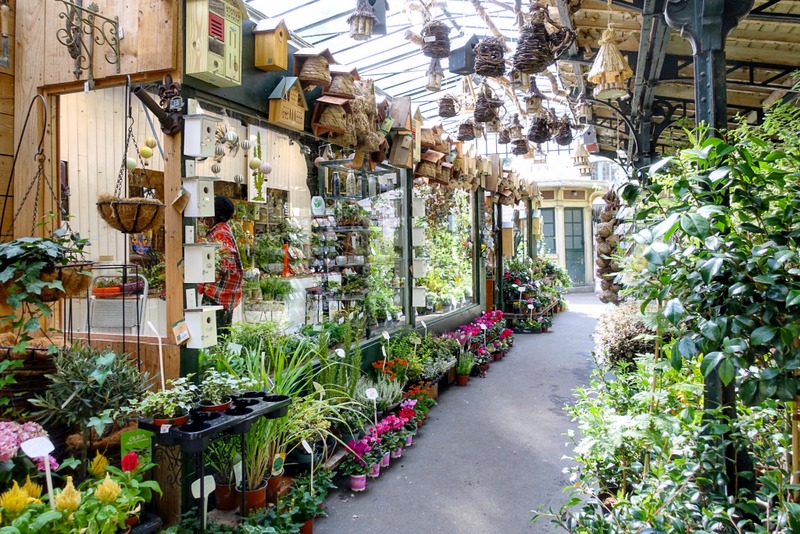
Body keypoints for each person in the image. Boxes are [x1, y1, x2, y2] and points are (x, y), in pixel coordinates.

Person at [197, 195, 243, 335]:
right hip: (223, 295)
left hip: (217, 295)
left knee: (213, 340)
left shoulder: (220, 234)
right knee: (220, 339)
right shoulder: (222, 230)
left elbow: (226, 266)